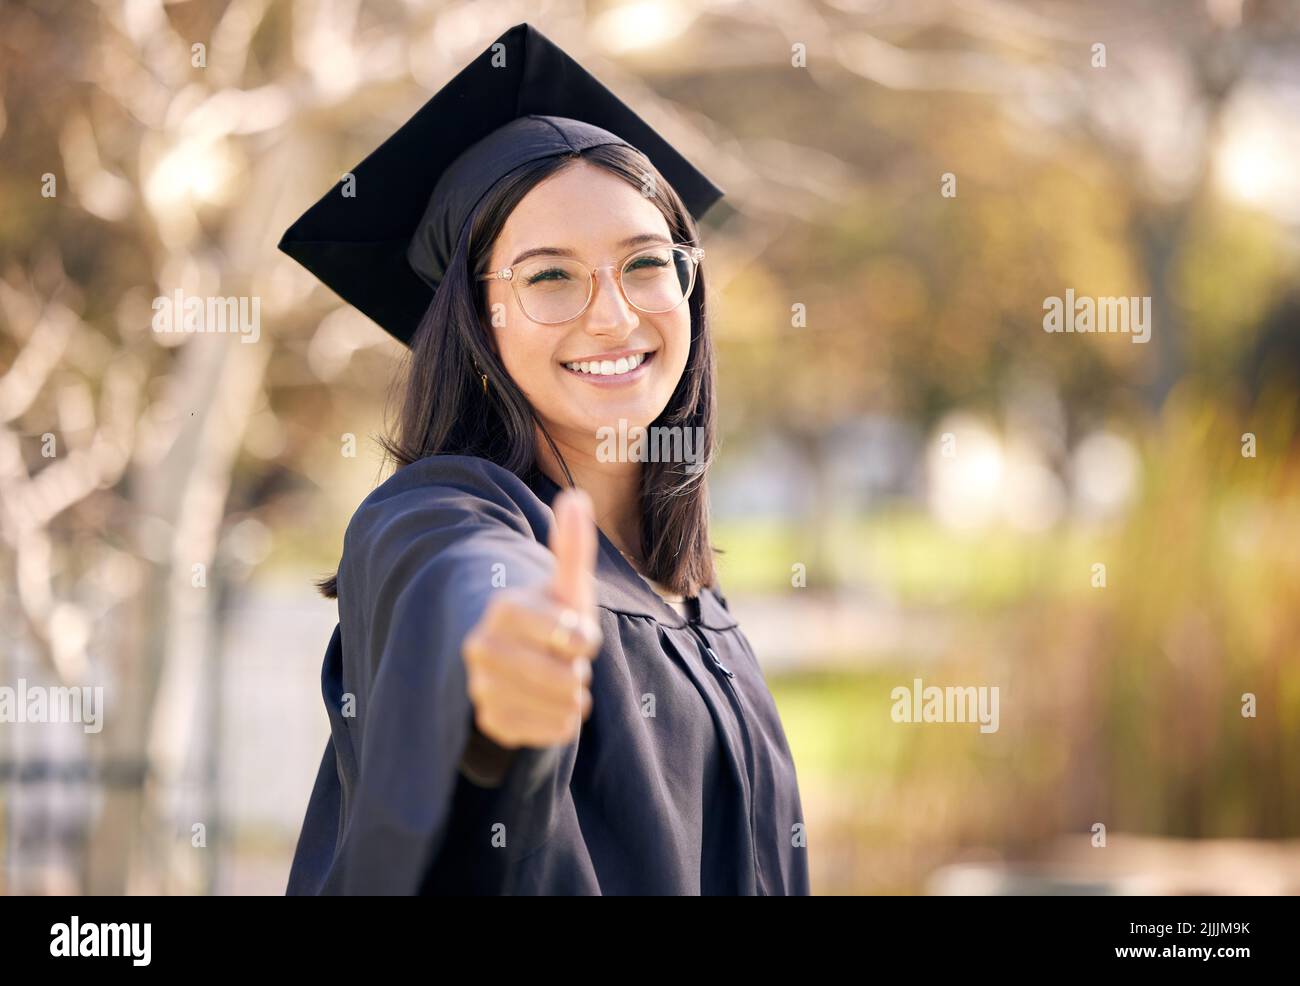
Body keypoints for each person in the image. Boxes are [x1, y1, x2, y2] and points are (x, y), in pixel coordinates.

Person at [280, 22, 810, 895]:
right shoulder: (437, 513)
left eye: (646, 264)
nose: (612, 316)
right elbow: (459, 584)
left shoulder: (691, 595)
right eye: (550, 277)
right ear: (474, 319)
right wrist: (489, 700)